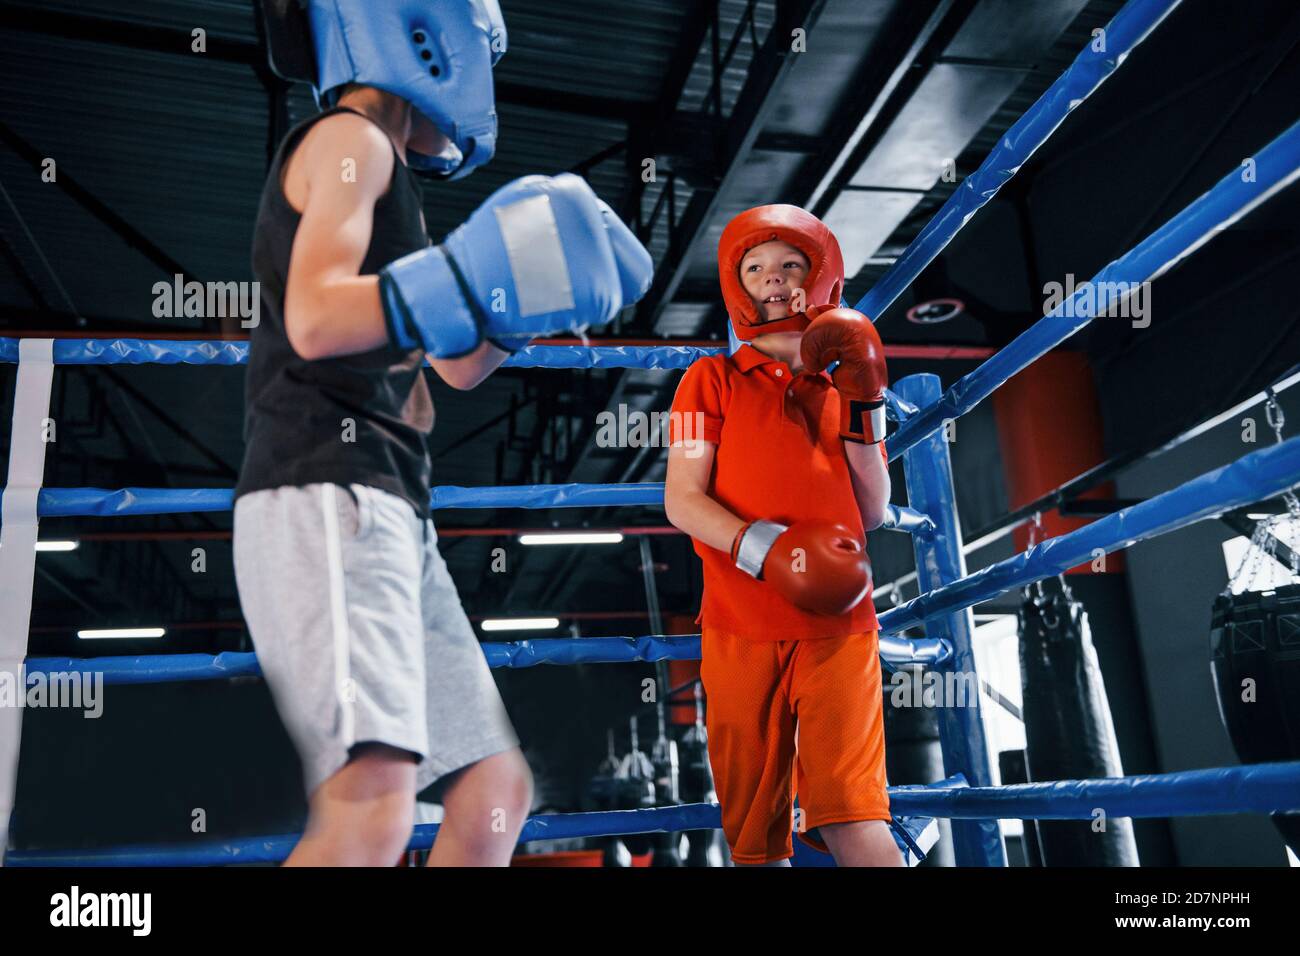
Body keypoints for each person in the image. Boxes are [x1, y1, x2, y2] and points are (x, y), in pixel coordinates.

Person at [234, 0, 652, 866]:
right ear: (419, 28)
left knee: (494, 793)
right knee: (372, 806)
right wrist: (466, 275)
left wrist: (514, 303)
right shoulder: (348, 142)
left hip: (387, 498)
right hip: (324, 485)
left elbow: (452, 369)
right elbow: (313, 319)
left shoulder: (396, 178)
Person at [664, 204, 902, 867]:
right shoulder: (707, 380)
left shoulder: (843, 384)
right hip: (740, 625)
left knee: (856, 816)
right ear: (738, 285)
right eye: (757, 266)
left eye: (791, 264)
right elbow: (682, 499)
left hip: (840, 626)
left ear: (819, 278)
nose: (773, 277)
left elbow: (874, 507)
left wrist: (865, 397)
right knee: (756, 844)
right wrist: (769, 551)